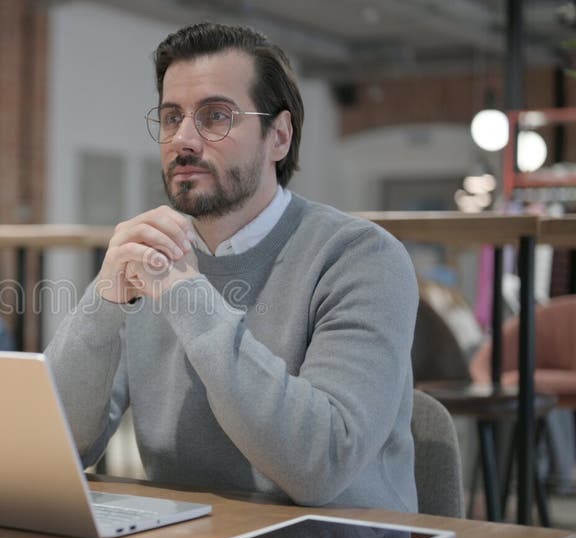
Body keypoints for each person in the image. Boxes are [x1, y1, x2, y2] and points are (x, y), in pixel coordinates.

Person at [44, 22, 419, 512]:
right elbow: (60, 449)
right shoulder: (151, 256)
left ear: (278, 136)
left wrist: (187, 295)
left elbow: (320, 465)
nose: (184, 140)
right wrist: (102, 303)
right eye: (171, 117)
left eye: (215, 117)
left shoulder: (362, 258)